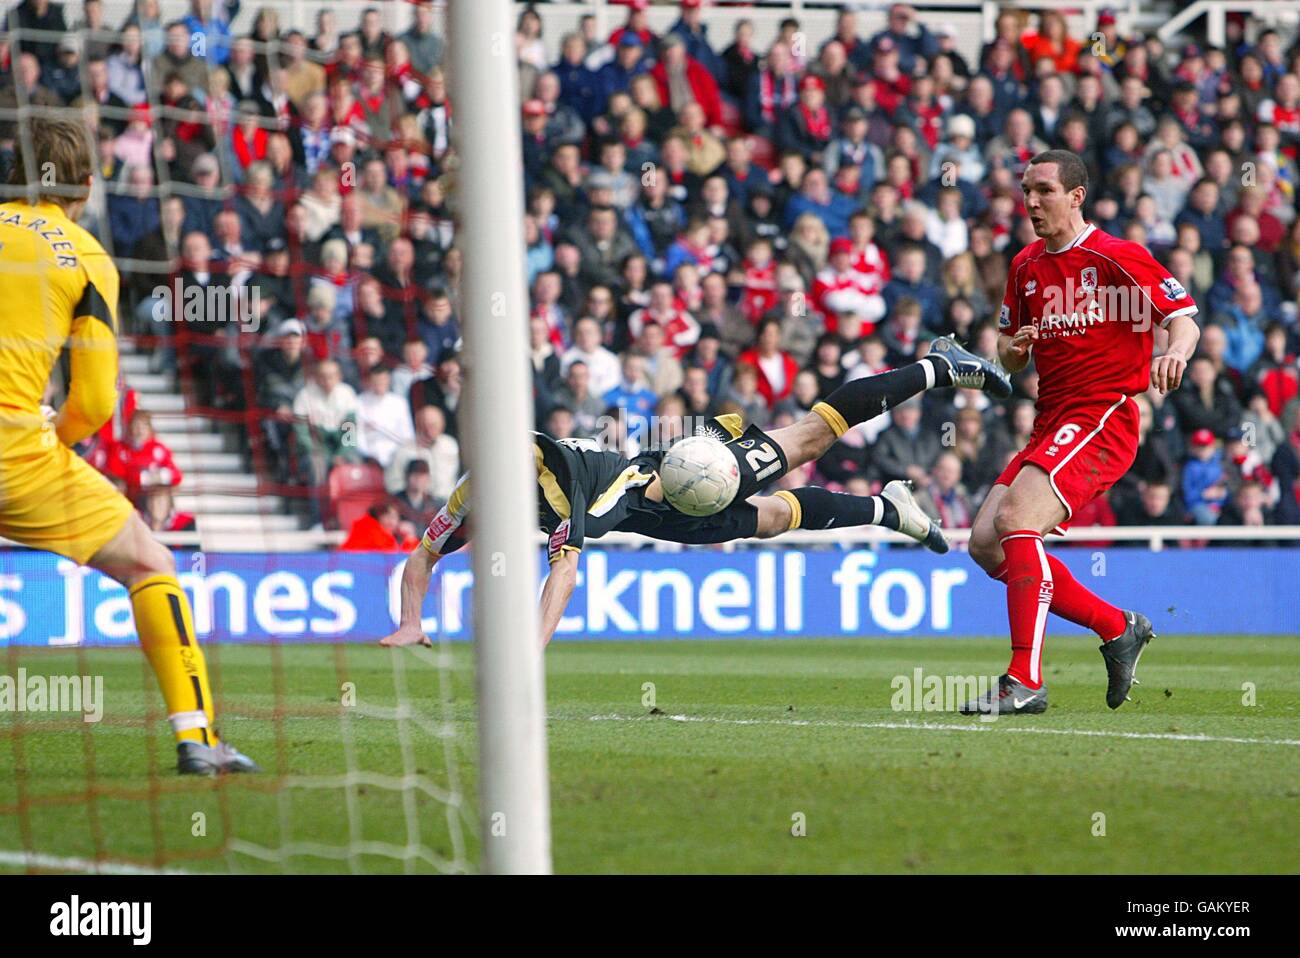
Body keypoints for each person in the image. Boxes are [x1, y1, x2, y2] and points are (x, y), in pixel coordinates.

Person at [381, 340, 1011, 649]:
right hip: (662, 516)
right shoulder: (475, 493)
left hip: (680, 470)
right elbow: (422, 555)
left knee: (810, 440)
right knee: (770, 520)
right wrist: (411, 621)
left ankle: (937, 364)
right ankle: (888, 508)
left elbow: (566, 573)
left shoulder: (558, 476)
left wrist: (531, 650)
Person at [0, 118, 257, 775]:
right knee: (150, 564)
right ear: (86, 185)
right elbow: (94, 402)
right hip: (17, 457)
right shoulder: (84, 255)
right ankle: (196, 735)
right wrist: (45, 438)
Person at [962, 150, 1202, 716]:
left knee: (1017, 520)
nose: (1031, 202)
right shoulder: (1025, 266)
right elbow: (1007, 350)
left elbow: (1183, 318)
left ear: (1076, 195)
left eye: (1043, 190)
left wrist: (1176, 352)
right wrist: (1012, 351)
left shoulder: (1117, 257)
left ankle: (1023, 680)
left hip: (1104, 416)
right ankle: (1118, 628)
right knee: (984, 542)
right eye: (1025, 191)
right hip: (1051, 420)